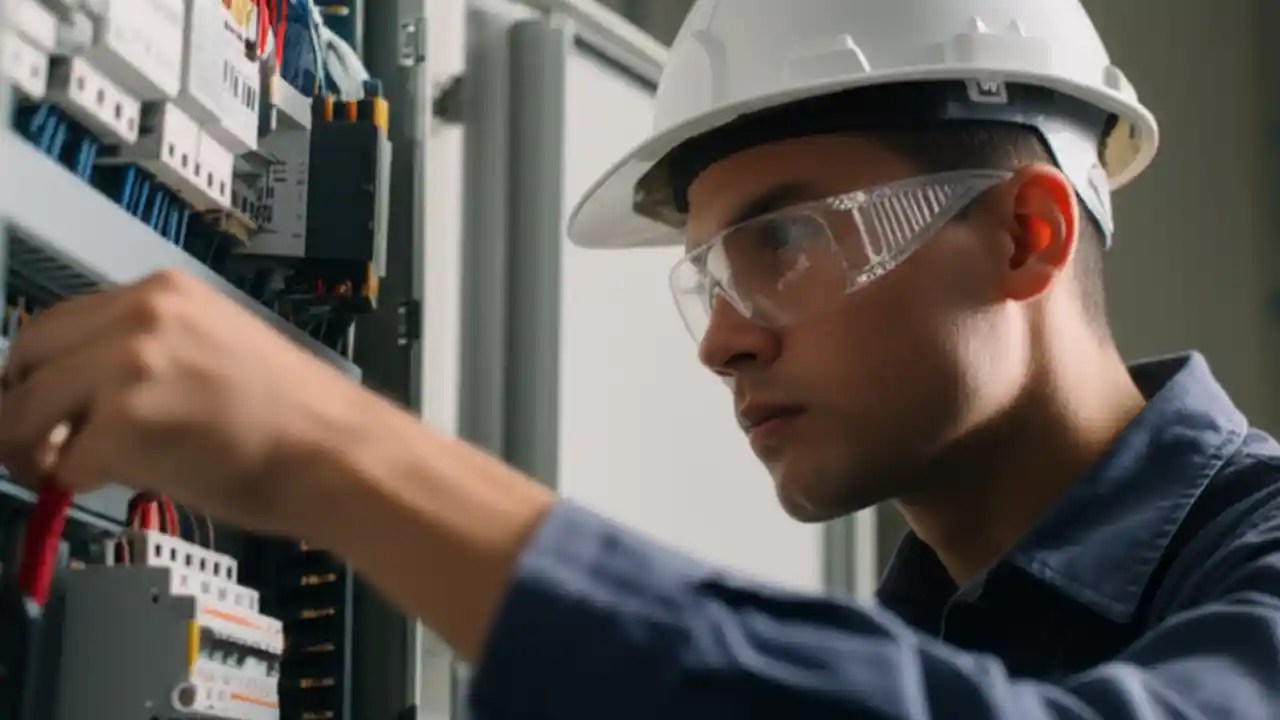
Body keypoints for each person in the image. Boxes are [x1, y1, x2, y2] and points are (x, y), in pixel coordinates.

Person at [3, 0, 1280, 716]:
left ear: (1025, 235)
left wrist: (337, 452)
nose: (724, 339)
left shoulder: (1256, 560)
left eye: (783, 238)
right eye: (710, 273)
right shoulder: (910, 646)